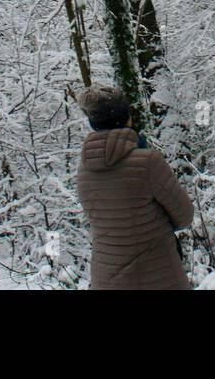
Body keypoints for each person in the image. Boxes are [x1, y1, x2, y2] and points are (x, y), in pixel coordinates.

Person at [75, 85, 194, 289]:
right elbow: (184, 216)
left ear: (93, 123)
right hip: (158, 276)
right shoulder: (147, 161)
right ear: (127, 118)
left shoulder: (85, 169)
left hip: (106, 279)